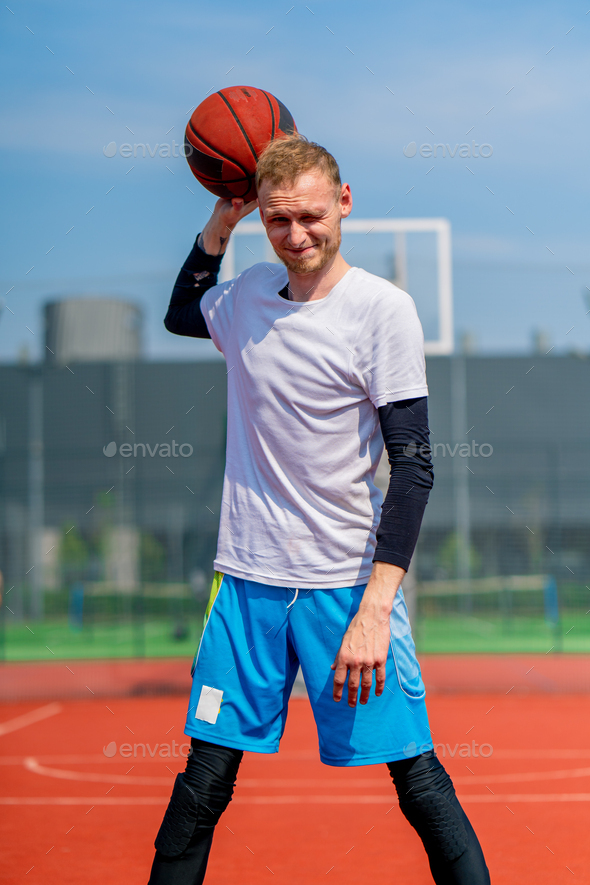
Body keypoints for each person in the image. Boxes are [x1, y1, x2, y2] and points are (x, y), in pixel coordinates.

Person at [148, 135, 490, 885]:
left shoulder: (382, 310)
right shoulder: (243, 301)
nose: (296, 235)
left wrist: (376, 607)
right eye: (277, 221)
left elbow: (415, 467)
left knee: (419, 783)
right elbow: (179, 314)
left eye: (309, 215)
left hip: (344, 587)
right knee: (201, 787)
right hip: (246, 584)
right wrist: (220, 225)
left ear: (344, 202)